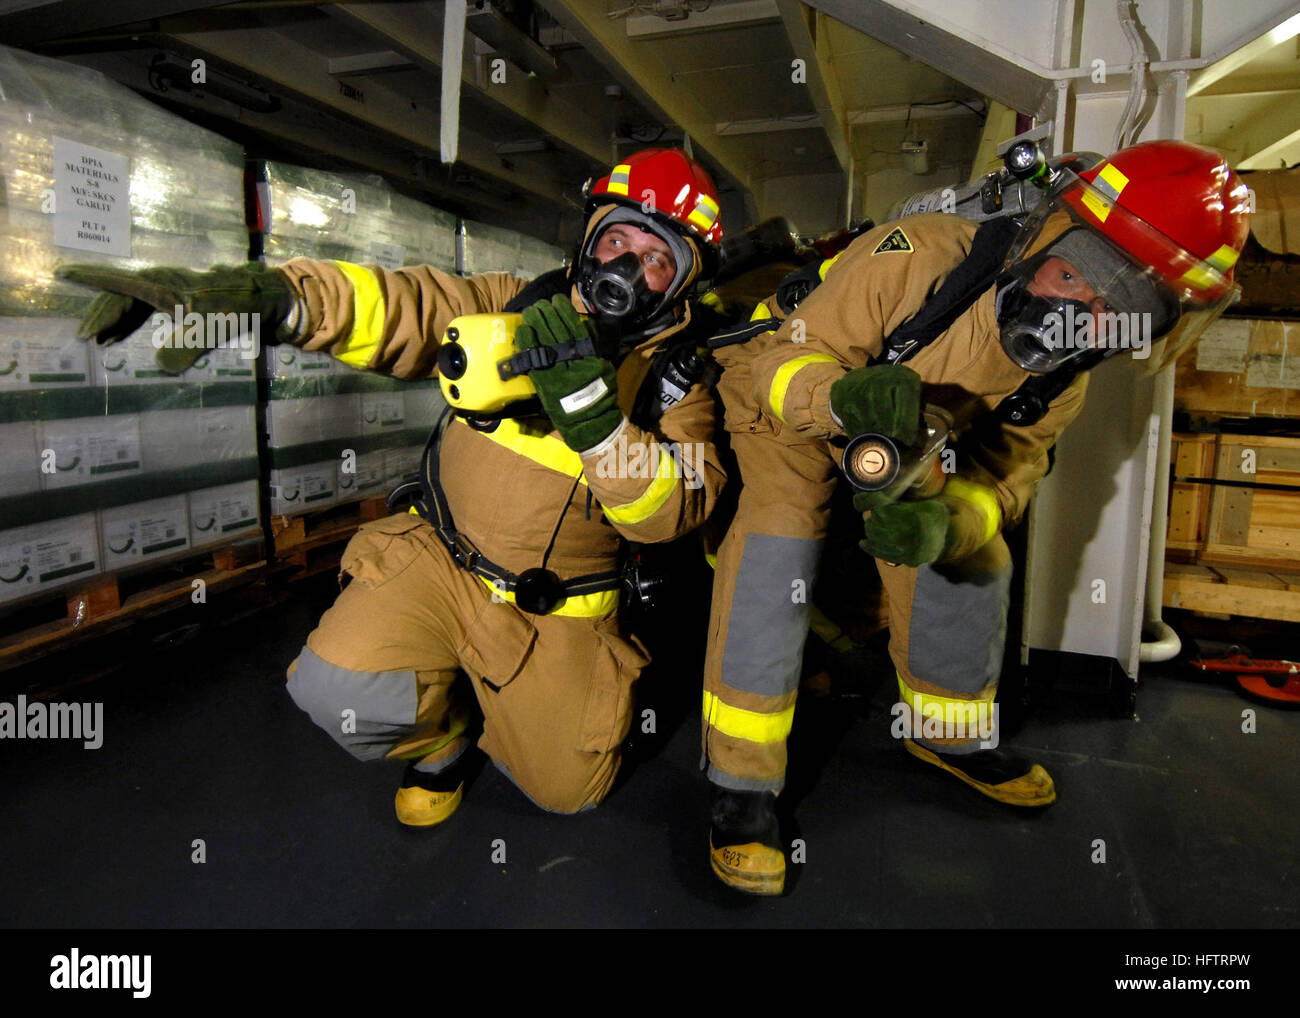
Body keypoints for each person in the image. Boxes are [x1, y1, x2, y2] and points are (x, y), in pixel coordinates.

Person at [59, 147, 729, 822]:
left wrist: (594, 417)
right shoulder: (512, 306)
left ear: (681, 281)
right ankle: (442, 740)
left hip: (555, 606)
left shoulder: (680, 385)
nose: (623, 268)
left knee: (568, 793)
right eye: (615, 239)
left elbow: (670, 512)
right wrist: (276, 298)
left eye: (653, 257)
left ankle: (498, 698)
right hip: (444, 562)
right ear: (589, 239)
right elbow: (399, 305)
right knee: (334, 688)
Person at [701, 139, 1252, 895]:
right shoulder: (922, 256)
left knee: (977, 559)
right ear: (1048, 236)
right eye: (1079, 275)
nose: (1076, 314)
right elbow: (787, 362)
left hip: (909, 438)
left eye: (1116, 308)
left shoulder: (1060, 384)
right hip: (787, 396)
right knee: (779, 547)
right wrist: (841, 401)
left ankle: (946, 735)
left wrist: (949, 526)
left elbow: (1005, 481)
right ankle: (740, 785)